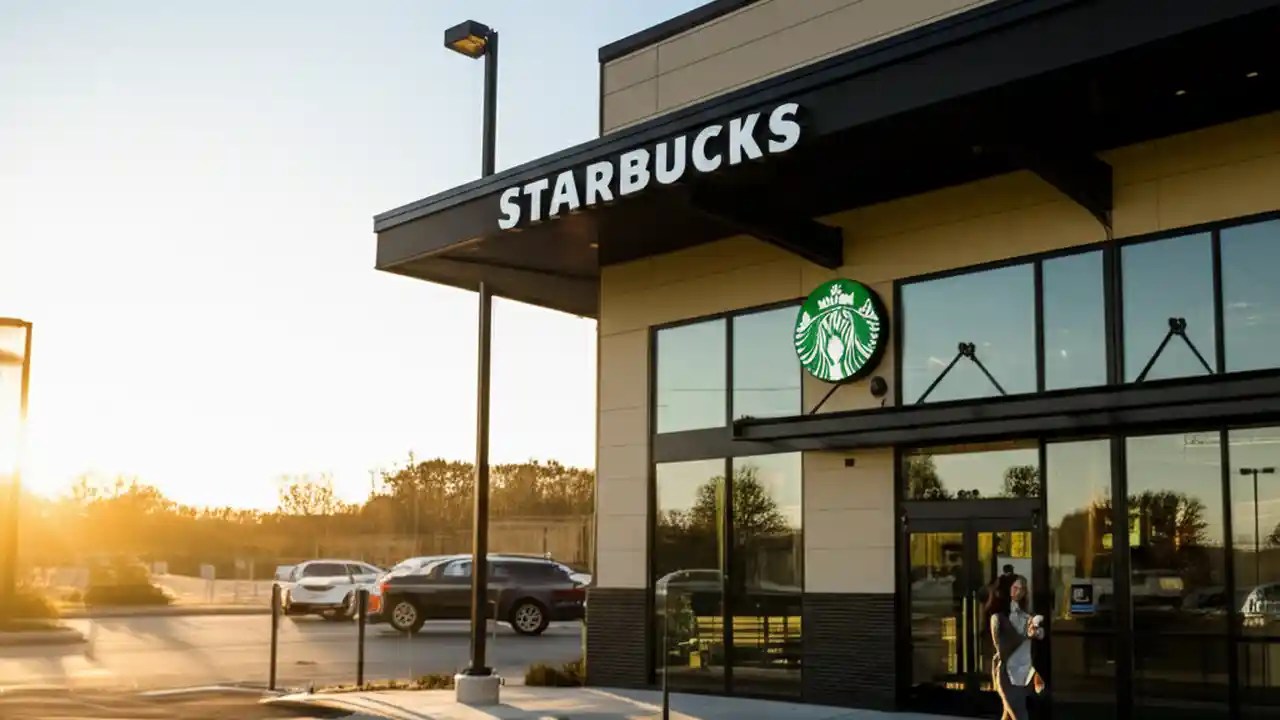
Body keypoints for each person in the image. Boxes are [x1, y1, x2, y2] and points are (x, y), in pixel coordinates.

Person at [986, 573, 1044, 720]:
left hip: (1026, 672)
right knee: (1020, 714)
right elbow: (1002, 648)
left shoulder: (1025, 615)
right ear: (1007, 590)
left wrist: (1036, 632)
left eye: (1022, 589)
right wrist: (1027, 636)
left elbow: (1038, 635)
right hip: (1008, 674)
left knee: (1009, 715)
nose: (1019, 592)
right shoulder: (998, 618)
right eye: (1015, 588)